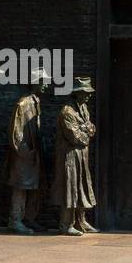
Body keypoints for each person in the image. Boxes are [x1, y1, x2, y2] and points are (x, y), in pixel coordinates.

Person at [6, 68, 51, 234]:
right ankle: (15, 220)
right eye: (43, 82)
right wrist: (25, 152)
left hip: (34, 154)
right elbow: (15, 132)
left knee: (34, 187)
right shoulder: (23, 104)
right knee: (21, 187)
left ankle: (29, 219)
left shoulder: (35, 101)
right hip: (24, 155)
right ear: (35, 83)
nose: (46, 85)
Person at [51, 76, 98, 236]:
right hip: (69, 156)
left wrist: (87, 130)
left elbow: (92, 128)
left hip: (81, 156)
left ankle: (81, 221)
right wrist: (86, 133)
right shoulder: (67, 112)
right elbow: (75, 136)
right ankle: (66, 224)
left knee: (82, 186)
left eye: (89, 93)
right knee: (69, 189)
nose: (88, 96)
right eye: (85, 93)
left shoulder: (83, 108)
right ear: (77, 93)